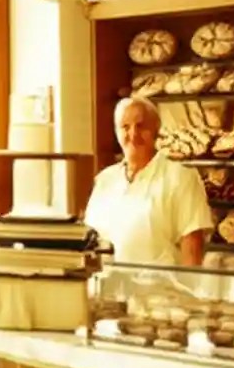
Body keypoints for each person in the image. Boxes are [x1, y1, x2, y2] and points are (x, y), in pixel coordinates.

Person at [84, 96, 213, 266]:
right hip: (112, 281)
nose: (133, 134)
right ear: (116, 132)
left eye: (141, 126)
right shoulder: (105, 180)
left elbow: (192, 250)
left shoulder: (181, 178)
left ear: (156, 130)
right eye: (125, 127)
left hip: (162, 282)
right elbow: (92, 242)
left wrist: (190, 282)